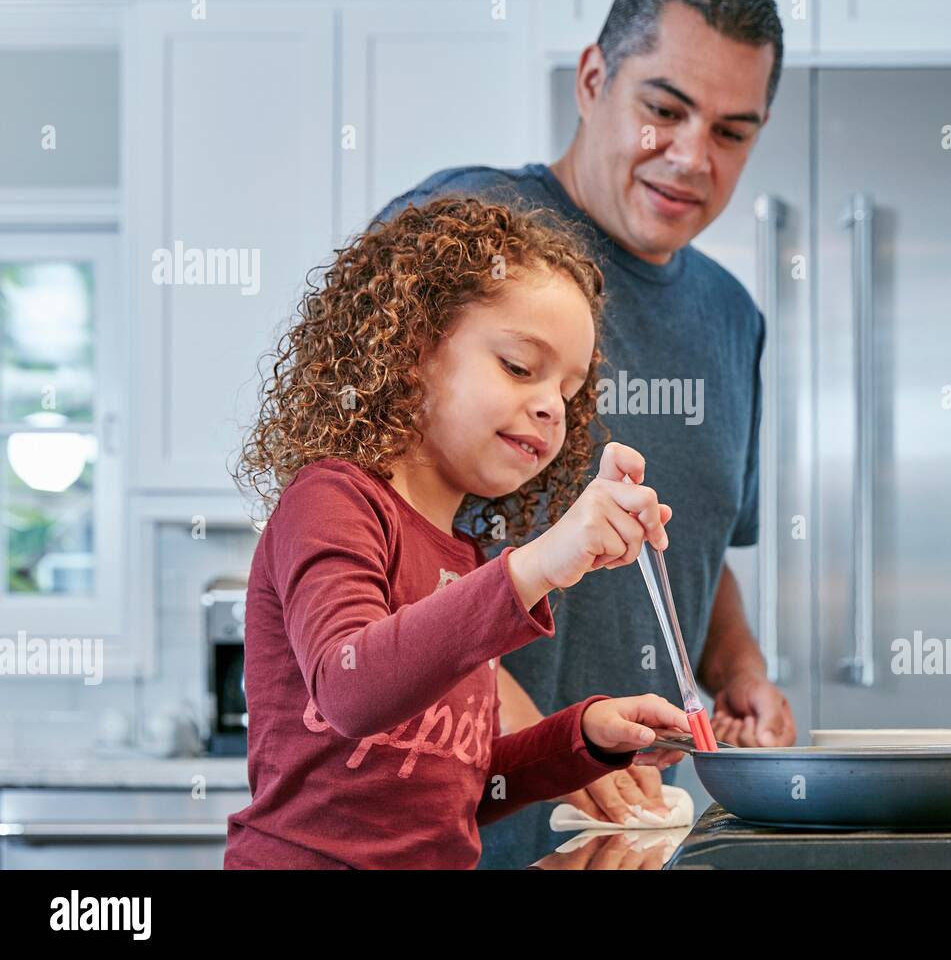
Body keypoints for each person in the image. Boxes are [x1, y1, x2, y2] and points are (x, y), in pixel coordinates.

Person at [373, 0, 797, 869]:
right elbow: (349, 507)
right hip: (445, 835)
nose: (692, 157)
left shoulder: (732, 319)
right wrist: (529, 727)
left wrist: (741, 671)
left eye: (732, 132)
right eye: (663, 109)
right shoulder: (464, 226)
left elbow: (700, 542)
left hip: (634, 842)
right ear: (595, 79)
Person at [224, 196, 689, 869]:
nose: (550, 407)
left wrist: (582, 737)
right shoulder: (331, 501)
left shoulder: (461, 553)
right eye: (521, 367)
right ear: (410, 349)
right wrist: (538, 565)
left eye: (569, 390)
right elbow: (350, 689)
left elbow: (451, 785)